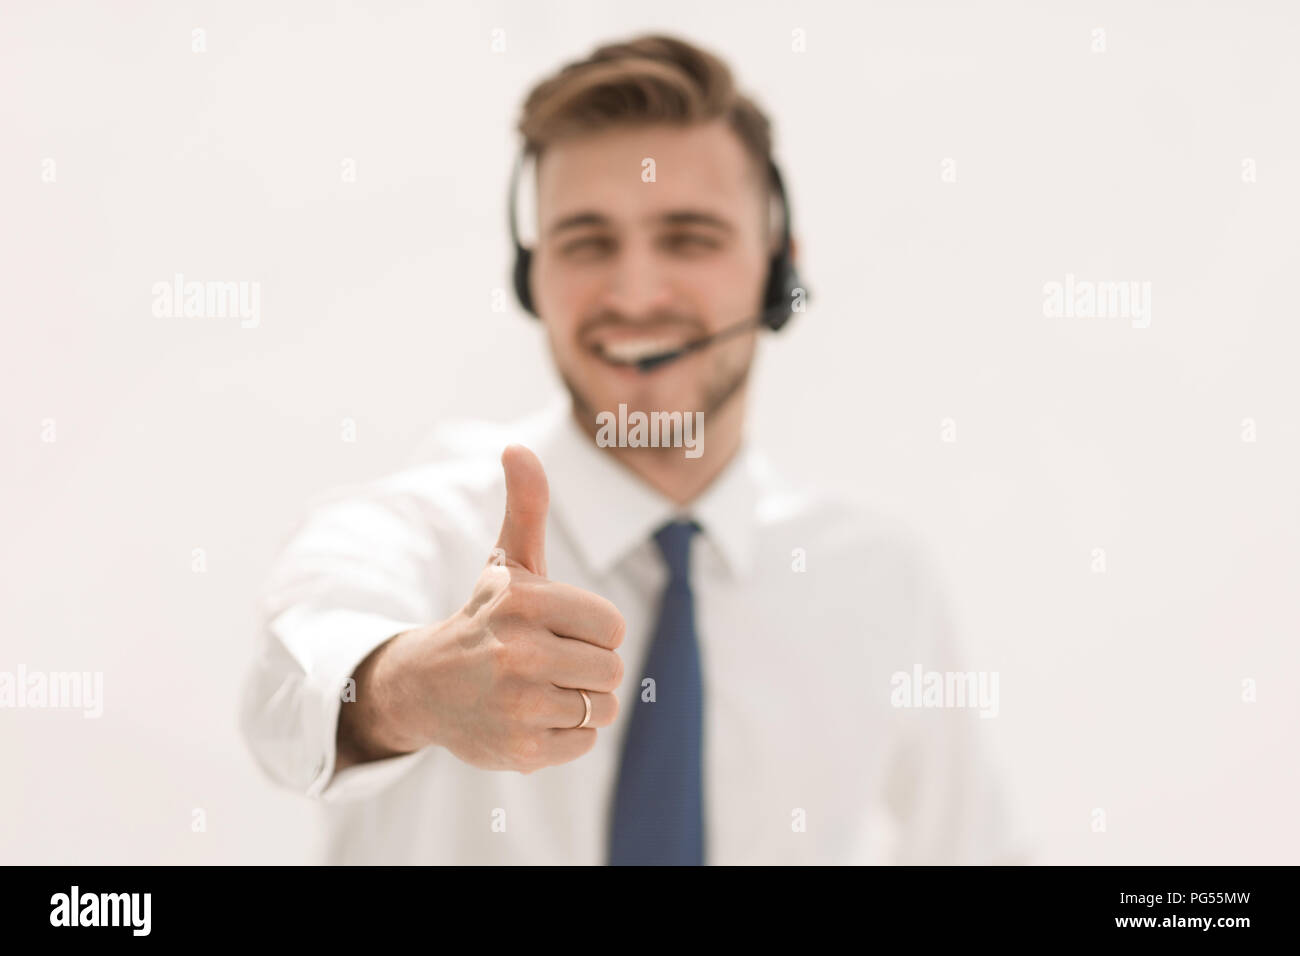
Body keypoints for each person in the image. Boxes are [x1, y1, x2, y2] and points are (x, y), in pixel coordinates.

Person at [239, 33, 1027, 865]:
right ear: (530, 280)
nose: (637, 293)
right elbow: (282, 697)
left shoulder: (878, 580)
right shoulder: (414, 529)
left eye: (689, 237)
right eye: (587, 241)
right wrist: (409, 690)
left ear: (776, 275)